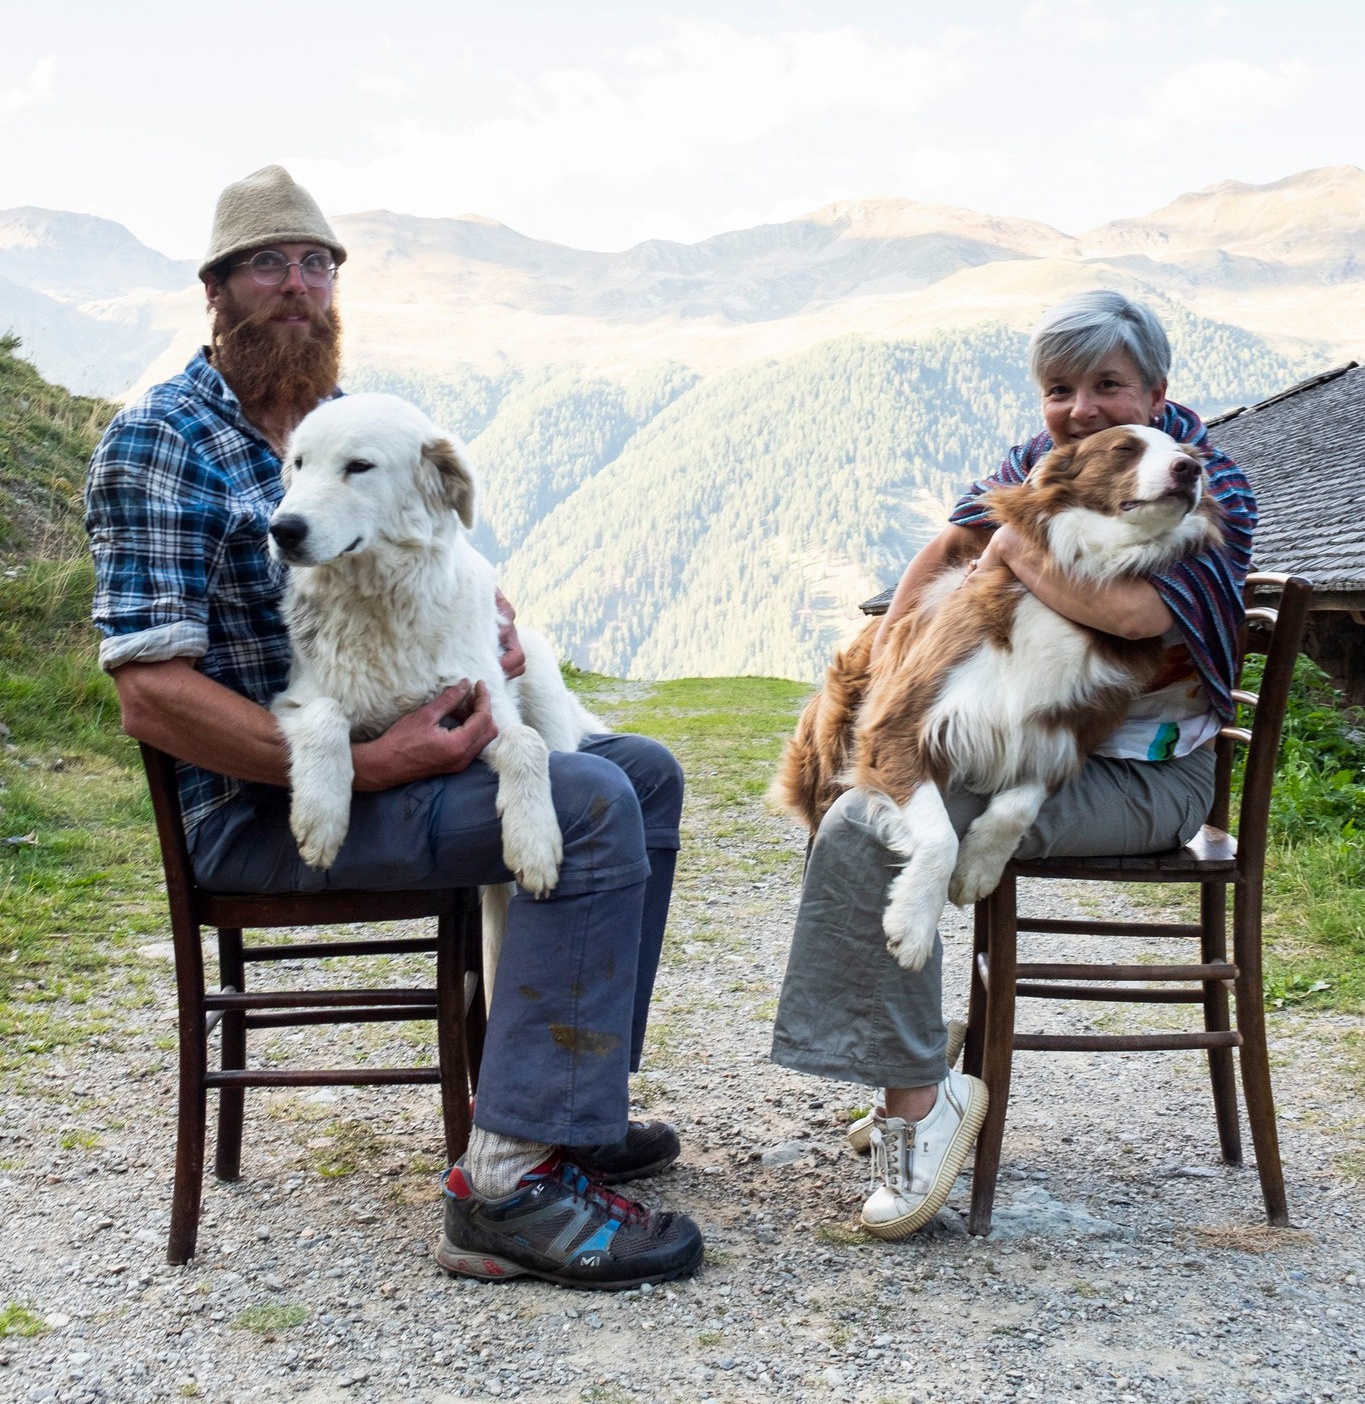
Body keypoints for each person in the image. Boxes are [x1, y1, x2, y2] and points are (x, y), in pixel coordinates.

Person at [86, 164, 702, 1289]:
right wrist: (369, 764)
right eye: (267, 264)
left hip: (406, 743)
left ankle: (571, 1107)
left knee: (644, 773)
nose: (297, 287)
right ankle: (511, 1184)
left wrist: (484, 618)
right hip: (263, 809)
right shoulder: (162, 441)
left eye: (316, 264)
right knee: (588, 799)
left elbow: (427, 555)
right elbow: (151, 691)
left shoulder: (332, 425)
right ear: (214, 288)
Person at [770, 290, 1256, 1240]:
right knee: (860, 805)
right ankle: (911, 1064)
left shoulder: (1209, 481)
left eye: (1106, 385)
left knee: (876, 829)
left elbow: (1133, 618)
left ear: (1155, 389)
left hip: (1138, 778)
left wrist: (1011, 543)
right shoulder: (1044, 466)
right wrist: (893, 654)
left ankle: (916, 1102)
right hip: (1020, 744)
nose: (1080, 408)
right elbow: (949, 541)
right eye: (1058, 389)